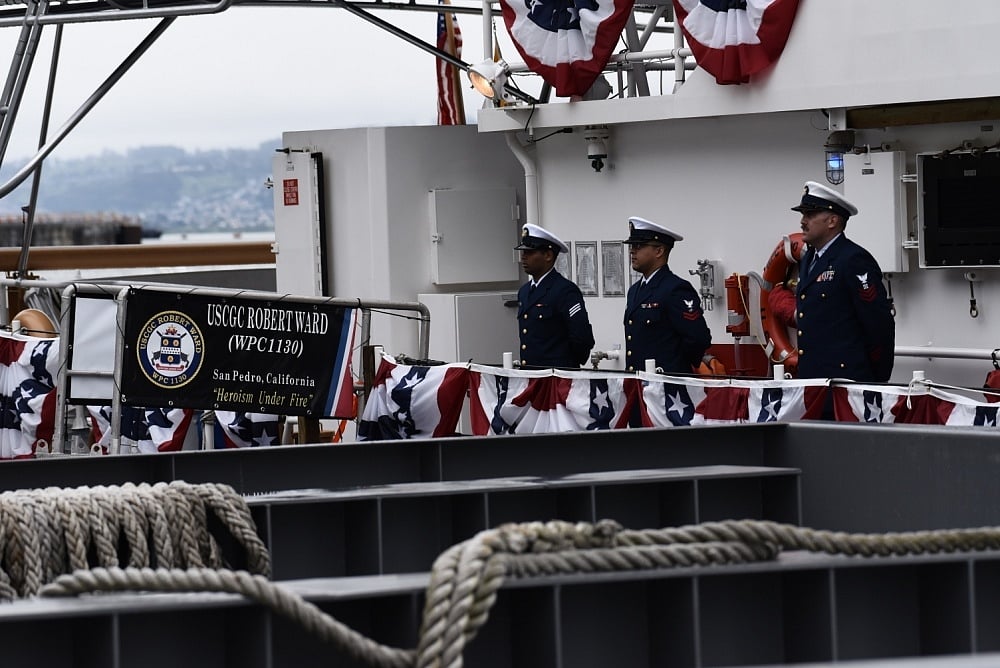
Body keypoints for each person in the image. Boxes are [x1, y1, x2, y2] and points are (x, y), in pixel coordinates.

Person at [792, 181, 895, 382]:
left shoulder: (853, 260)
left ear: (832, 221)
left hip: (846, 380)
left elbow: (878, 323)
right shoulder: (809, 259)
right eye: (803, 215)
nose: (803, 221)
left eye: (810, 215)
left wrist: (877, 379)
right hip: (813, 379)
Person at [623, 217, 711, 373]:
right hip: (638, 384)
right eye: (632, 246)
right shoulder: (635, 290)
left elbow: (697, 338)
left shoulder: (675, 289)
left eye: (639, 246)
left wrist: (676, 366)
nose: (632, 251)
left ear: (659, 251)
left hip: (666, 386)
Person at [515, 223, 595, 368]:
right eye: (523, 252)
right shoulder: (524, 291)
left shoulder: (564, 291)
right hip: (531, 375)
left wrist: (568, 365)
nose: (523, 257)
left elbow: (581, 338)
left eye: (530, 252)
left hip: (556, 378)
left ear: (548, 255)